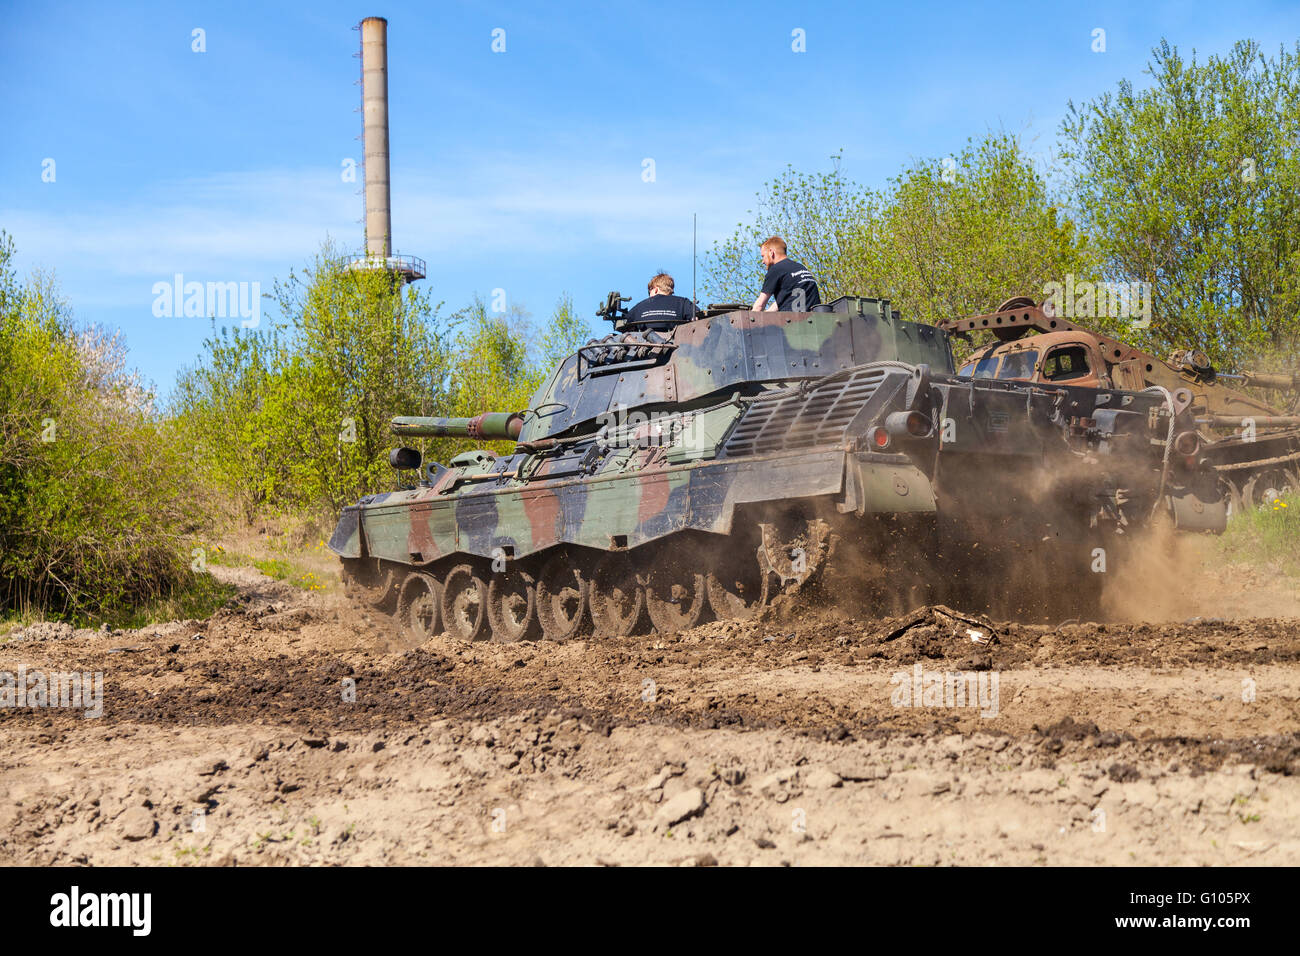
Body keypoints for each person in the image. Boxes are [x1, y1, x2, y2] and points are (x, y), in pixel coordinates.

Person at [751, 237, 821, 313]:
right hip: (814, 319)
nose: (763, 261)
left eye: (763, 256)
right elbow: (785, 300)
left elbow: (760, 305)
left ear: (771, 252)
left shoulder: (776, 269)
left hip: (792, 321)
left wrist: (750, 320)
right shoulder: (800, 267)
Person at [624, 273, 697, 331]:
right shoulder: (683, 302)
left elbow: (623, 324)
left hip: (645, 346)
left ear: (655, 289)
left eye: (649, 292)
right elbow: (698, 318)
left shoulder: (639, 307)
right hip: (678, 346)